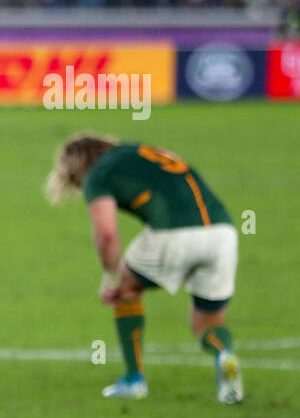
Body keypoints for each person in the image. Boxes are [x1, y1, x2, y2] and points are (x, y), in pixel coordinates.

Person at [45, 133, 244, 403]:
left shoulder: (98, 174)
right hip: (223, 234)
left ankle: (134, 380)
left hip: (175, 235)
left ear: (78, 166)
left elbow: (106, 233)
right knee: (208, 322)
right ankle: (225, 355)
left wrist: (110, 278)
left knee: (125, 289)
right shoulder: (144, 152)